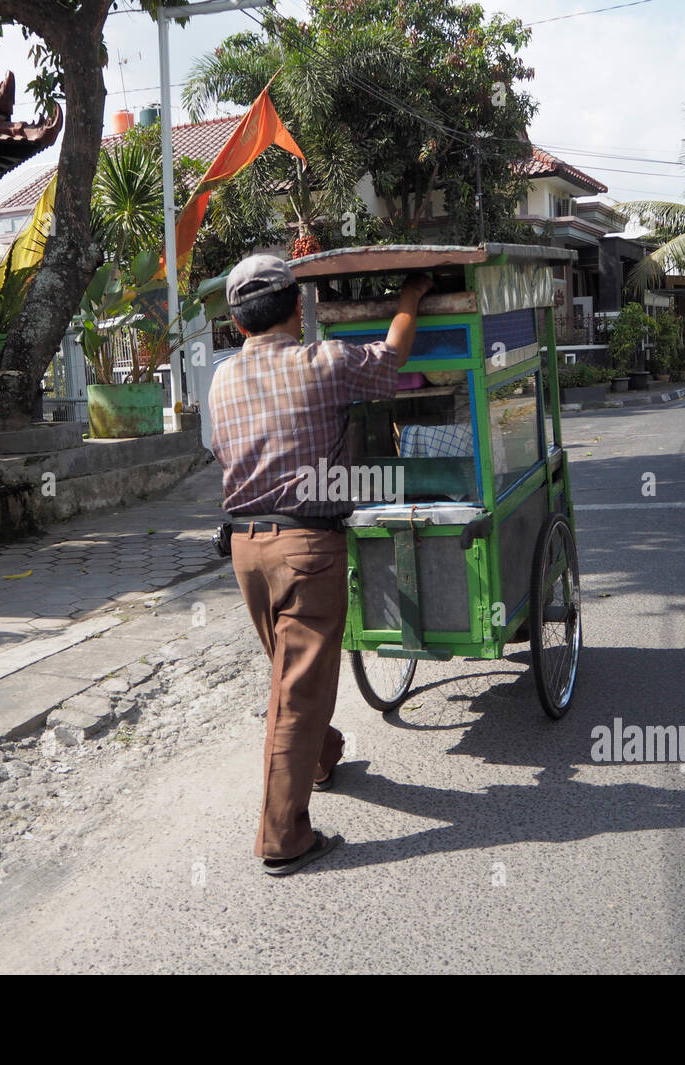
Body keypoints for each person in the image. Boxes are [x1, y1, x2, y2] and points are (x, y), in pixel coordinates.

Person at [208, 254, 433, 876]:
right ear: (297, 309)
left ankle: (321, 755)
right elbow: (391, 362)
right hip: (307, 545)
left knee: (291, 681)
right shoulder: (325, 362)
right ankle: (283, 838)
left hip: (246, 551)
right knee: (297, 692)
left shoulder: (220, 379)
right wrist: (409, 297)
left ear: (235, 320)